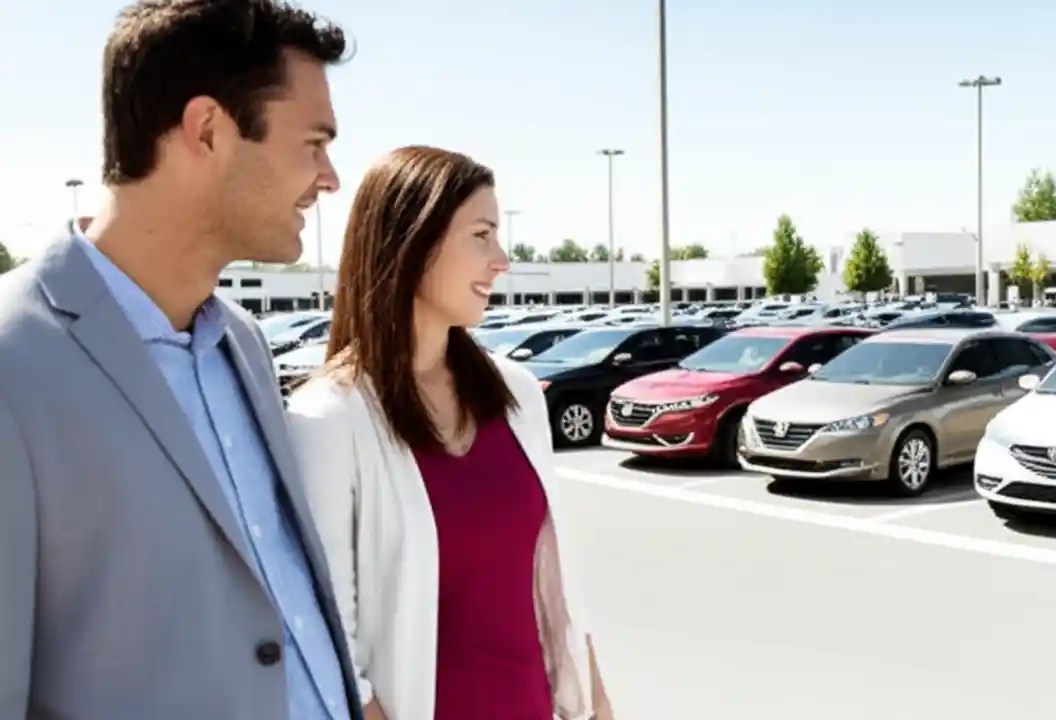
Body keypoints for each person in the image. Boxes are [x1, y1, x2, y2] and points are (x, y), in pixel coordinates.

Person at [0, 1, 362, 718]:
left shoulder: (245, 344)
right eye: (314, 142)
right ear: (206, 130)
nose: (330, 178)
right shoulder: (13, 359)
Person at [286, 146, 615, 720]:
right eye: (481, 235)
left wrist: (596, 706)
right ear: (414, 241)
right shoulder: (329, 417)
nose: (502, 259)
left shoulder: (515, 395)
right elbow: (323, 630)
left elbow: (555, 590)